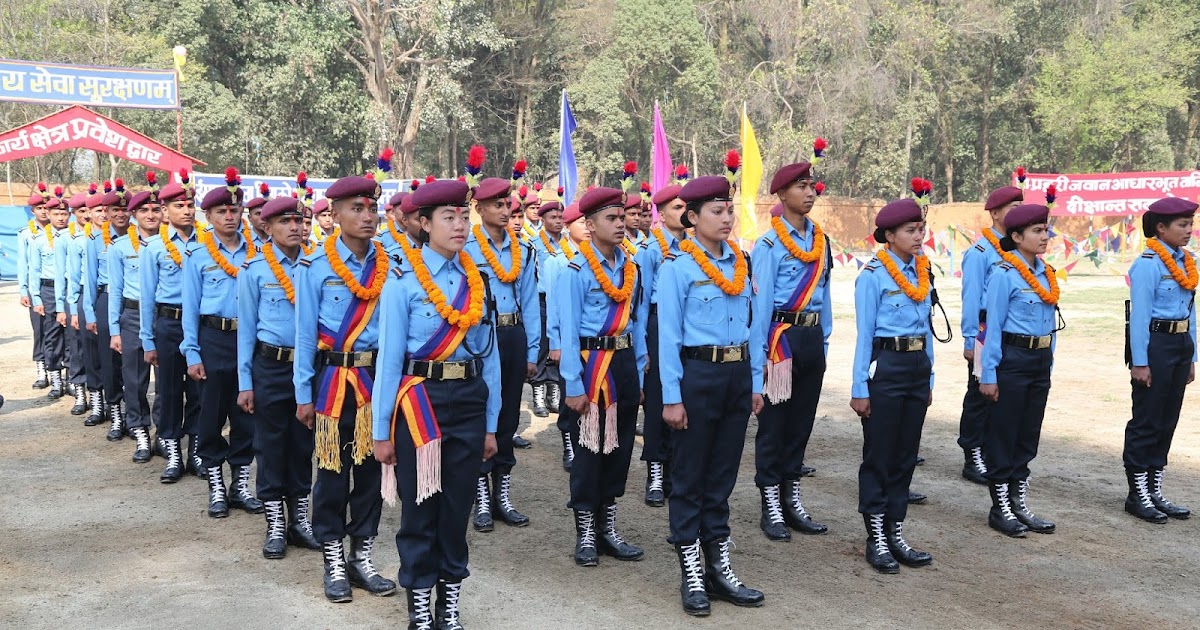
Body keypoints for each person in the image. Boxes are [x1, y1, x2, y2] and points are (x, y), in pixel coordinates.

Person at [372, 178, 501, 630]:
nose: (460, 225)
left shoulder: (478, 281)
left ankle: (449, 602)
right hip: (419, 401)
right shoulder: (401, 284)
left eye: (464, 216)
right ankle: (421, 606)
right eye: (448, 217)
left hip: (468, 400)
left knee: (456, 505)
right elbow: (388, 360)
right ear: (423, 224)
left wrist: (490, 424)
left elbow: (491, 358)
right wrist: (380, 429)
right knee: (420, 509)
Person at [658, 168, 766, 616]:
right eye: (717, 212)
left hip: (736, 376)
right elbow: (666, 337)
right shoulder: (678, 269)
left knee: (721, 478)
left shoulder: (741, 263)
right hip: (696, 377)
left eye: (730, 211)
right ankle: (692, 571)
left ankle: (719, 567)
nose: (727, 219)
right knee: (689, 479)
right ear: (694, 218)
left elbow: (754, 328)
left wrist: (756, 381)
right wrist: (671, 397)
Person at [294, 174, 396, 603]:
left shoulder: (390, 264)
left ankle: (362, 555)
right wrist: (302, 392)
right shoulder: (314, 267)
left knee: (372, 474)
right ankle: (333, 558)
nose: (368, 216)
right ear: (333, 216)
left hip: (376, 381)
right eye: (357, 209)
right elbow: (303, 334)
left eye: (372, 208)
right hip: (333, 381)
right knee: (333, 477)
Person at [557, 186, 648, 569]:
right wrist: (573, 385)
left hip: (623, 364)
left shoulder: (632, 268)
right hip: (591, 366)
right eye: (610, 218)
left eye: (621, 216)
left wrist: (640, 374)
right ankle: (586, 534)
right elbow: (567, 330)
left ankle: (608, 528)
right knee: (588, 453)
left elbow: (638, 324)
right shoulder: (574, 271)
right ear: (589, 225)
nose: (619, 224)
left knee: (620, 449)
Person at [849, 190, 939, 574]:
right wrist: (858, 387)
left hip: (916, 366)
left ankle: (896, 529)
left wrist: (930, 374)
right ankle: (876, 536)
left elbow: (929, 331)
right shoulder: (871, 277)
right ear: (888, 236)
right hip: (886, 367)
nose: (919, 236)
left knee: (906, 455)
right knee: (880, 455)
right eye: (910, 230)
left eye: (921, 229)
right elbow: (863, 335)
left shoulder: (923, 270)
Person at [237, 196, 322, 558]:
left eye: (298, 220)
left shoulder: (317, 264)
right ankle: (274, 523)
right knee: (270, 444)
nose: (294, 228)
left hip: (310, 366)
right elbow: (246, 330)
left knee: (304, 443)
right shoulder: (254, 269)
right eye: (284, 221)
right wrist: (245, 382)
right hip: (270, 366)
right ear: (266, 227)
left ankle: (299, 521)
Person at [751, 161, 831, 541]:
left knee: (801, 425)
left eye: (812, 185)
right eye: (801, 186)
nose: (810, 192)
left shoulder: (821, 241)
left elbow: (825, 297)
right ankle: (770, 502)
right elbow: (761, 305)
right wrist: (759, 359)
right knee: (775, 426)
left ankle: (791, 498)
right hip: (780, 342)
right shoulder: (768, 245)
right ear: (782, 195)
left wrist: (824, 342)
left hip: (810, 339)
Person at [462, 153, 539, 534]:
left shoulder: (522, 250)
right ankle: (479, 494)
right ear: (479, 208)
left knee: (508, 414)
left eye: (508, 202)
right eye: (497, 203)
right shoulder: (466, 249)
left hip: (512, 335)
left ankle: (501, 494)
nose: (506, 209)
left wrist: (532, 348)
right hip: (480, 337)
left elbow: (529, 301)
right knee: (481, 410)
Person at [977, 202, 1061, 537]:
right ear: (1016, 236)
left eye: (1046, 230)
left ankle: (1019, 503)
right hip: (1012, 360)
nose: (1045, 236)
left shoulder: (1046, 273)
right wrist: (988, 374)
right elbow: (993, 327)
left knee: (1028, 435)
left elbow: (1050, 324)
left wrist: (1049, 362)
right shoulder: (1003, 274)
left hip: (1039, 361)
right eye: (1037, 231)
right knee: (1005, 433)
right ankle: (1000, 508)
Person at [182, 173, 262, 517]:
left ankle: (239, 485)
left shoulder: (259, 252)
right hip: (213, 339)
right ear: (209, 217)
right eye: (221, 212)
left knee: (246, 416)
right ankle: (216, 486)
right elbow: (189, 306)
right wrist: (192, 352)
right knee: (211, 416)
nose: (229, 216)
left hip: (250, 341)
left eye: (234, 209)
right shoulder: (197, 255)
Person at [1123, 197, 1198, 524]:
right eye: (1182, 225)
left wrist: (1192, 354)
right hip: (1155, 344)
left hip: (1179, 344)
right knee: (1148, 418)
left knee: (1168, 419)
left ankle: (1154, 489)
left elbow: (1191, 311)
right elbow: (1139, 318)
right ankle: (1137, 492)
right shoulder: (1148, 264)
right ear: (1160, 228)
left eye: (1190, 224)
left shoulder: (1187, 262)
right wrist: (1140, 362)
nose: (1189, 230)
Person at [959, 184, 1024, 485]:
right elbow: (972, 296)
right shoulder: (981, 252)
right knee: (978, 395)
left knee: (1001, 393)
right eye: (1012, 207)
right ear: (995, 214)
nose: (1018, 212)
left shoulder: (1019, 249)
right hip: (984, 329)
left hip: (1009, 331)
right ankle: (972, 453)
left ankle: (988, 448)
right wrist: (970, 338)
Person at [140, 173, 202, 483]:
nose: (187, 211)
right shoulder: (153, 247)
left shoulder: (208, 242)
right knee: (169, 389)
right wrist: (147, 339)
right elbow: (147, 297)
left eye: (190, 205)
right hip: (168, 323)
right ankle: (173, 455)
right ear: (165, 211)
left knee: (199, 391)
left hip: (201, 326)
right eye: (179, 206)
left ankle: (195, 454)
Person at [635, 172, 689, 507]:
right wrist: (643, 349)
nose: (683, 211)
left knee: (685, 397)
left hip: (687, 326)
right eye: (677, 206)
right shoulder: (649, 249)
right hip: (656, 324)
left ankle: (678, 470)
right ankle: (656, 473)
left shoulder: (694, 246)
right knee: (658, 400)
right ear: (662, 212)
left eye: (686, 205)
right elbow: (640, 304)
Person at [108, 183, 163, 458]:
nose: (150, 215)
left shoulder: (173, 246)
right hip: (132, 315)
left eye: (155, 209)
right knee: (135, 379)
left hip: (162, 317)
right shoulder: (119, 247)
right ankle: (140, 431)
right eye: (144, 210)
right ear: (133, 215)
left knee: (166, 380)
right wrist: (114, 330)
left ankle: (165, 433)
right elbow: (114, 290)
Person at [544, 202, 591, 470]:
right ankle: (569, 445)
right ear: (569, 226)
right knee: (568, 394)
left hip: (591, 341)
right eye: (581, 222)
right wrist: (555, 342)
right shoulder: (558, 261)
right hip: (566, 338)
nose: (586, 227)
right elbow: (553, 305)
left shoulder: (597, 258)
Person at [84, 183, 126, 434]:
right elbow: (89, 279)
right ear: (106, 213)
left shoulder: (142, 238)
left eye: (124, 209)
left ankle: (134, 415)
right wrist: (89, 314)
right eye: (114, 210)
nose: (120, 214)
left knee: (131, 363)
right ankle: (116, 413)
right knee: (109, 361)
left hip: (130, 304)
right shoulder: (96, 240)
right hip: (105, 299)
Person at [30, 188, 70, 400]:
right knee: (52, 335)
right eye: (56, 214)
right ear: (49, 214)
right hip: (48, 290)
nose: (61, 217)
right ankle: (55, 378)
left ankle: (71, 377)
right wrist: (36, 297)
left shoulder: (75, 237)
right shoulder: (38, 240)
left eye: (64, 214)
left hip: (70, 289)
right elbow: (34, 270)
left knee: (71, 336)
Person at [528, 196, 566, 418]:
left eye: (561, 217)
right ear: (542, 219)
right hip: (542, 301)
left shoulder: (568, 241)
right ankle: (539, 396)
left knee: (558, 347)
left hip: (563, 301)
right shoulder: (535, 244)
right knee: (544, 348)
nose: (558, 221)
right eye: (553, 217)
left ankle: (553, 394)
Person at [63, 189, 95, 416]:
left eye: (89, 210)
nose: (86, 215)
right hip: (80, 295)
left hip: (100, 295)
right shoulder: (70, 239)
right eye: (81, 211)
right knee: (77, 347)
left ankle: (99, 396)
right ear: (74, 213)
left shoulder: (105, 235)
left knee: (97, 350)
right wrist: (72, 308)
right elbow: (70, 277)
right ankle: (80, 392)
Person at [20, 183, 52, 389]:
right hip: (36, 287)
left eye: (45, 207)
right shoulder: (26, 233)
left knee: (59, 330)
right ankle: (42, 369)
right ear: (33, 211)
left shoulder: (61, 231)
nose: (43, 211)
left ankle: (59, 369)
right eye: (39, 208)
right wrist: (24, 289)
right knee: (39, 329)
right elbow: (23, 263)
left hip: (56, 287)